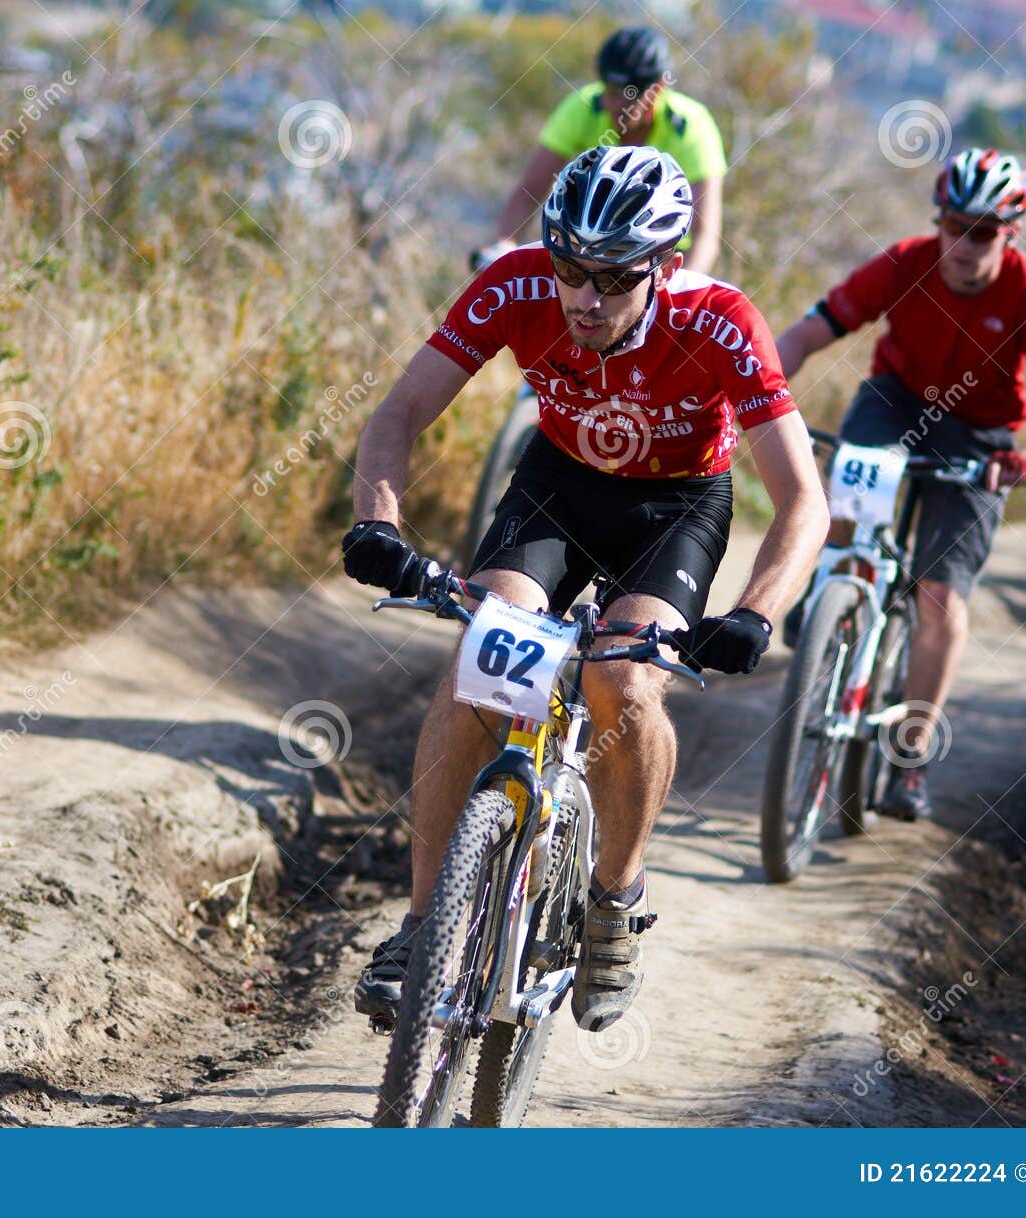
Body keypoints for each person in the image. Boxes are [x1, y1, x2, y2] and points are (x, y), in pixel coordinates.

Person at [343, 146, 827, 1031]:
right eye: (570, 268)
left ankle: (614, 900)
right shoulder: (518, 287)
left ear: (665, 268)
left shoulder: (721, 323)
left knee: (622, 680)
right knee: (485, 660)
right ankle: (421, 924)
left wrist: (758, 613)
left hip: (674, 507)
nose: (584, 298)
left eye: (612, 278)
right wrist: (380, 520)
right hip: (557, 486)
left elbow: (804, 501)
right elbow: (398, 412)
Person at [773, 147, 1026, 823]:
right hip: (899, 401)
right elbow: (808, 332)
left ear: (1011, 234)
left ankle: (909, 759)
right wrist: (761, 393)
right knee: (846, 480)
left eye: (983, 232)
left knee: (939, 596)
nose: (964, 245)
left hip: (981, 436)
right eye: (953, 225)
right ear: (937, 221)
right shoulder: (905, 262)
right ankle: (831, 586)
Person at [476, 26, 727, 276]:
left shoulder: (691, 127)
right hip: (588, 254)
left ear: (659, 88)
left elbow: (706, 236)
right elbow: (530, 191)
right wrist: (504, 245)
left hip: (657, 262)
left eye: (630, 94)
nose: (617, 104)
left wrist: (682, 292)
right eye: (611, 91)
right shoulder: (583, 107)